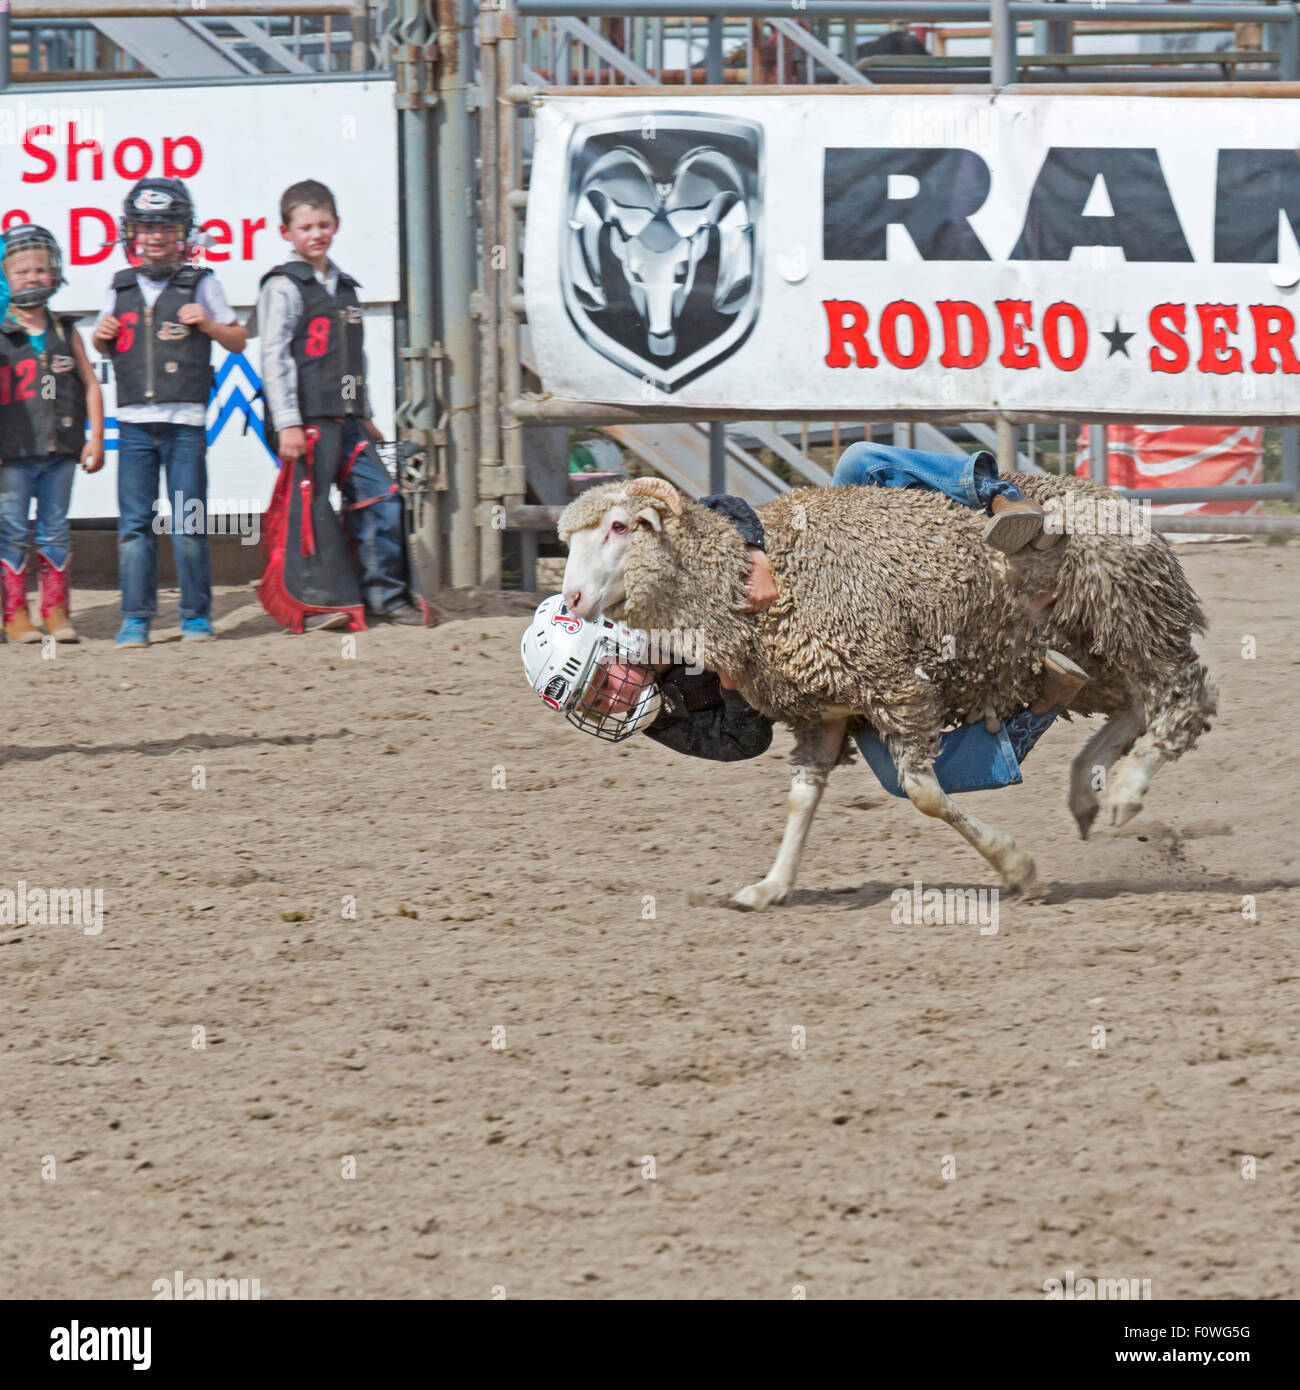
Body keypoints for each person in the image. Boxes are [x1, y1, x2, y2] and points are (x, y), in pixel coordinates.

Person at [522, 452, 1086, 788]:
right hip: (818, 683)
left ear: (611, 643)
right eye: (596, 706)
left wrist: (754, 554)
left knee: (857, 462)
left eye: (601, 686)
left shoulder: (652, 596)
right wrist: (732, 675)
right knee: (898, 778)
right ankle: (1035, 712)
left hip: (829, 581)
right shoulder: (664, 717)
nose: (611, 704)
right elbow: (744, 742)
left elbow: (713, 511)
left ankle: (996, 497)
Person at [253, 179, 428, 633]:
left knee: (381, 497)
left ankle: (384, 596)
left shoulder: (346, 288)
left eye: (323, 224)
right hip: (307, 421)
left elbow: (355, 356)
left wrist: (364, 411)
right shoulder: (283, 286)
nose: (316, 234)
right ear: (285, 232)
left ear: (337, 225)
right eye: (306, 226)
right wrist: (288, 422)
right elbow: (273, 356)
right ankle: (318, 603)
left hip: (348, 419)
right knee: (310, 511)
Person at [93, 176, 247, 647]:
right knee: (134, 526)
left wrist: (211, 324)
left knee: (189, 522)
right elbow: (103, 344)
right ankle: (135, 619)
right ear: (130, 233)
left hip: (186, 425)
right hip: (135, 425)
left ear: (185, 233)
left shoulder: (202, 283)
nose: (156, 237)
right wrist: (100, 335)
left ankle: (195, 616)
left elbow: (239, 339)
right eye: (146, 228)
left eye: (166, 228)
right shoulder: (118, 286)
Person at [0, 224, 104, 644]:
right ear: (6, 277)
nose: (31, 277)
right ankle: (15, 615)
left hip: (61, 451)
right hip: (13, 454)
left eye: (40, 269)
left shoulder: (65, 330)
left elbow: (91, 384)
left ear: (55, 272)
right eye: (21, 270)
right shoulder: (3, 333)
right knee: (10, 531)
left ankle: (56, 612)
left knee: (55, 529)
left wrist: (95, 437)